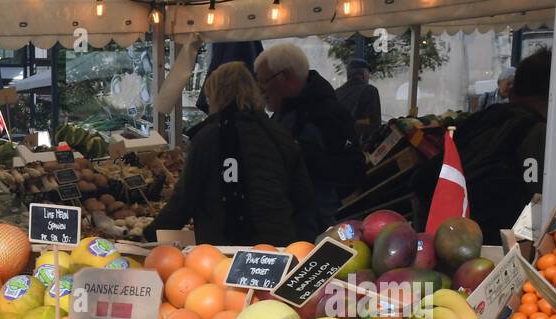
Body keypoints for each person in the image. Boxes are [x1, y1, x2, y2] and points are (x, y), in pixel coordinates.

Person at [145, 63, 317, 246]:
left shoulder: (208, 137)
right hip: (279, 244)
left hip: (225, 247)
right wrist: (304, 242)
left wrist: (149, 235)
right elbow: (303, 197)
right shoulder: (278, 134)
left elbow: (185, 199)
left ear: (217, 96)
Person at [416, 49, 551, 238]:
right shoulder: (534, 131)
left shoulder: (482, 119)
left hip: (452, 231)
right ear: (551, 96)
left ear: (513, 92)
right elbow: (537, 199)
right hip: (496, 239)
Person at [256, 43, 364, 232]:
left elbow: (352, 172)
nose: (260, 89)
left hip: (317, 229)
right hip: (290, 224)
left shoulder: (329, 115)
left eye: (264, 81)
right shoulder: (283, 114)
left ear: (285, 77)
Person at [336, 58, 382, 140]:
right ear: (363, 74)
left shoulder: (337, 93)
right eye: (368, 74)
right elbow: (375, 124)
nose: (368, 78)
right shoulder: (370, 90)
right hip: (357, 147)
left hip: (338, 144)